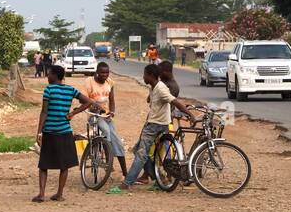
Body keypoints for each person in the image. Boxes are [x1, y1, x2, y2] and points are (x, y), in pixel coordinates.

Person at [108, 64, 200, 193]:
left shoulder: (161, 89)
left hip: (154, 125)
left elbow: (175, 102)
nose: (143, 77)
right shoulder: (154, 86)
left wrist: (190, 115)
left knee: (140, 155)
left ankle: (126, 184)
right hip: (158, 123)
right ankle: (160, 180)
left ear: (150, 75)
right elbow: (151, 100)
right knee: (138, 151)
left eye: (145, 74)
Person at [35, 65, 106, 202]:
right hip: (65, 131)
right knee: (64, 165)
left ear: (55, 75)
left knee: (44, 164)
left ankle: (42, 194)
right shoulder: (70, 90)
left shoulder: (48, 90)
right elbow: (89, 101)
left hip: (49, 131)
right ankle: (59, 194)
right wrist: (73, 113)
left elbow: (44, 112)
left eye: (49, 73)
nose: (48, 76)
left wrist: (39, 132)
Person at [74, 62, 128, 179]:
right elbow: (82, 100)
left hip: (106, 115)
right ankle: (109, 161)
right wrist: (93, 105)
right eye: (102, 72)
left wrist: (112, 111)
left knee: (118, 142)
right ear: (97, 72)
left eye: (107, 72)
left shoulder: (110, 82)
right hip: (94, 115)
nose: (105, 75)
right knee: (106, 132)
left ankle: (125, 173)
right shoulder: (89, 82)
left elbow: (112, 100)